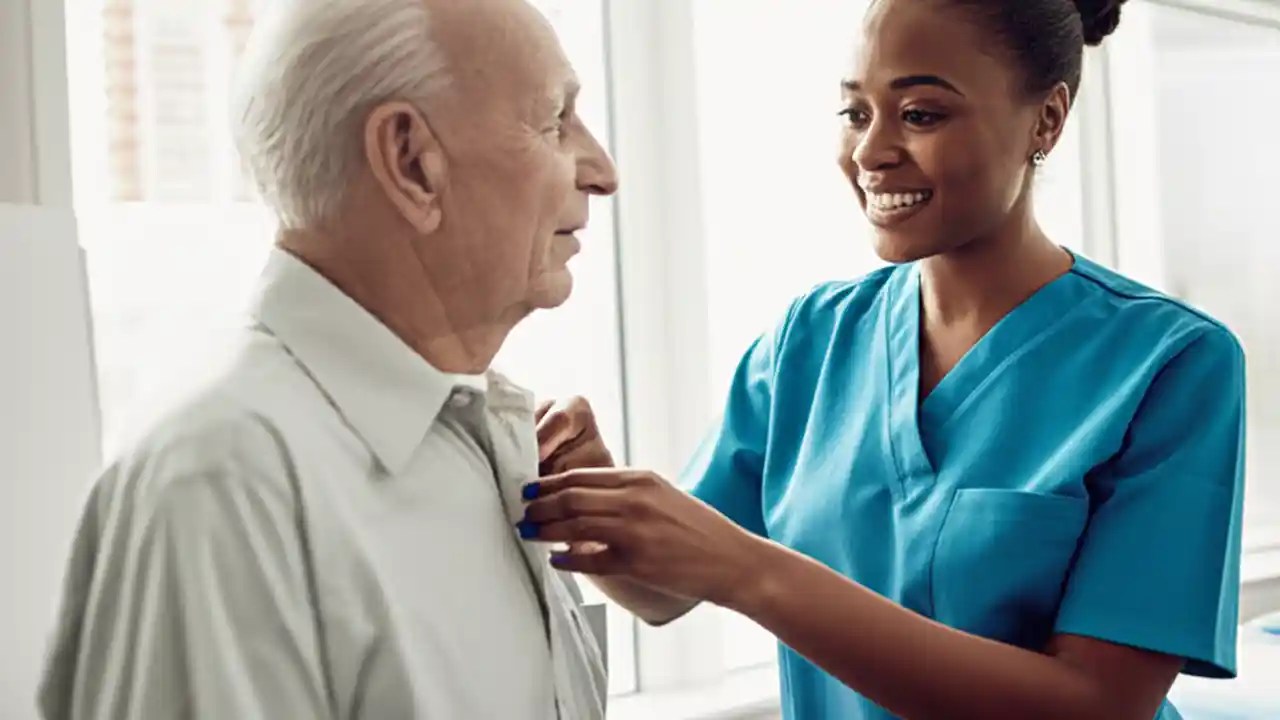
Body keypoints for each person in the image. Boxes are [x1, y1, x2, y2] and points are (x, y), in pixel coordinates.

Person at [522, 0, 1246, 718]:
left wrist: (751, 572)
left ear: (1046, 120)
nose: (870, 153)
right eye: (856, 113)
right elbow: (665, 591)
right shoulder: (809, 341)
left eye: (921, 114)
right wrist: (588, 489)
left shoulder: (1173, 364)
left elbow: (1097, 707)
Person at [38, 0, 618, 717]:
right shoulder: (225, 481)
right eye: (555, 121)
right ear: (411, 162)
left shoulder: (490, 442)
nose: (603, 171)